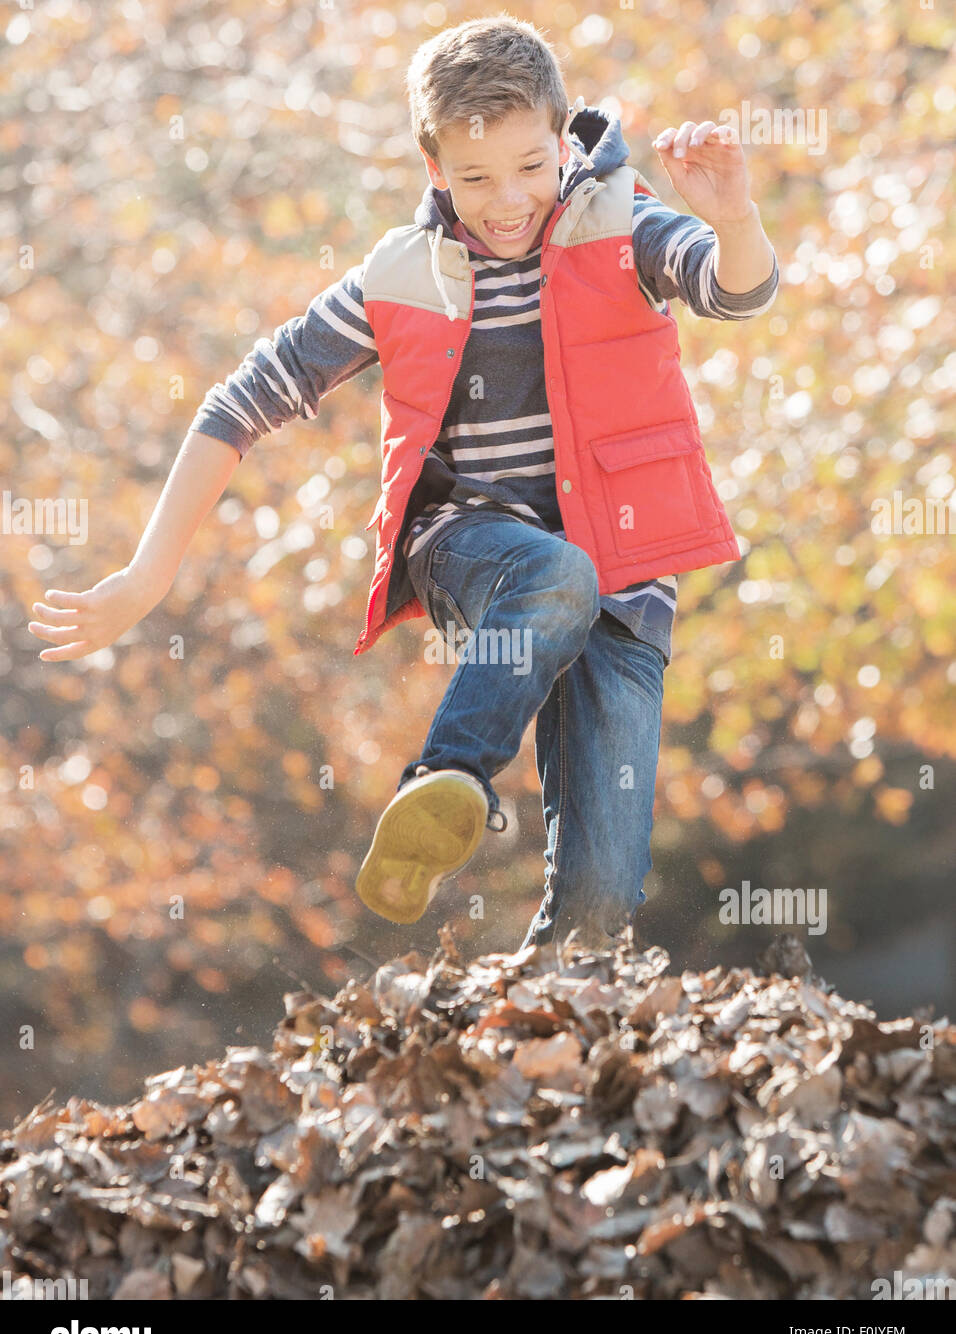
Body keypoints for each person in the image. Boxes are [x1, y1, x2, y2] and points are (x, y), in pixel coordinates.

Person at [29, 15, 779, 949]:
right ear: (433, 166)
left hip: (630, 578)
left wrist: (736, 216)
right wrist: (146, 575)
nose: (507, 201)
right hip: (474, 547)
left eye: (529, 167)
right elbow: (238, 402)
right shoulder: (400, 276)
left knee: (601, 898)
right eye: (474, 178)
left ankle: (540, 1042)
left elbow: (734, 291)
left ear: (562, 138)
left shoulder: (625, 224)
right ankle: (442, 782)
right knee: (554, 576)